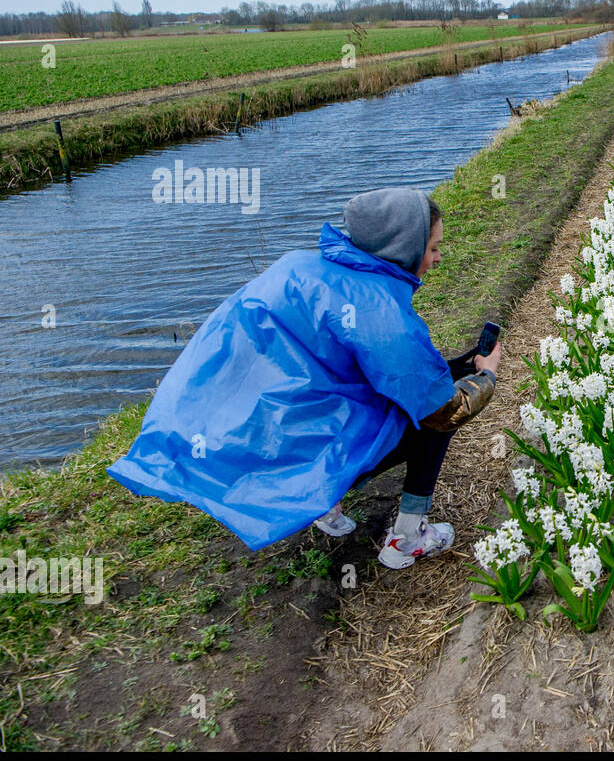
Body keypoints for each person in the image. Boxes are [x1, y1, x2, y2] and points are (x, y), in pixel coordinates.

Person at [108, 187, 502, 570]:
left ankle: (324, 502)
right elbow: (441, 410)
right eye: (432, 248)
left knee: (401, 391)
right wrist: (487, 376)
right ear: (404, 248)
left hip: (263, 425)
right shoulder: (381, 314)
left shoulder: (297, 266)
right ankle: (408, 538)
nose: (437, 259)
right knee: (429, 425)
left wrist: (446, 367)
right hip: (305, 443)